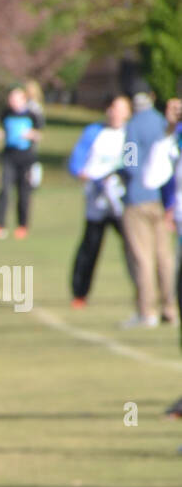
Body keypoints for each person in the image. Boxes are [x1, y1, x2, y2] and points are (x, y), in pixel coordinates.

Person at [119, 82, 178, 328]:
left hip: (137, 198)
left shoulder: (133, 125)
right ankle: (171, 308)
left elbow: (130, 163)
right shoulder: (164, 124)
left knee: (143, 258)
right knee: (165, 256)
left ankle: (147, 311)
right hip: (163, 198)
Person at [69, 96, 133, 310]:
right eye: (114, 108)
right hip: (96, 202)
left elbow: (132, 167)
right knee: (89, 247)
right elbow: (77, 164)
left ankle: (143, 290)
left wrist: (118, 177)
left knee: (133, 247)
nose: (116, 113)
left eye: (122, 109)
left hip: (121, 203)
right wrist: (89, 177)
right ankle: (79, 293)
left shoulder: (129, 135)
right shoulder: (94, 132)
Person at [0, 86, 43, 239]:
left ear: (23, 99)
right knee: (4, 190)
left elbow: (39, 135)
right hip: (8, 157)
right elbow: (5, 132)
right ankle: (0, 225)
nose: (12, 102)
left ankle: (22, 226)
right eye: (10, 99)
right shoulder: (6, 114)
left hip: (26, 158)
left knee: (23, 193)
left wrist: (31, 135)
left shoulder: (32, 115)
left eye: (15, 98)